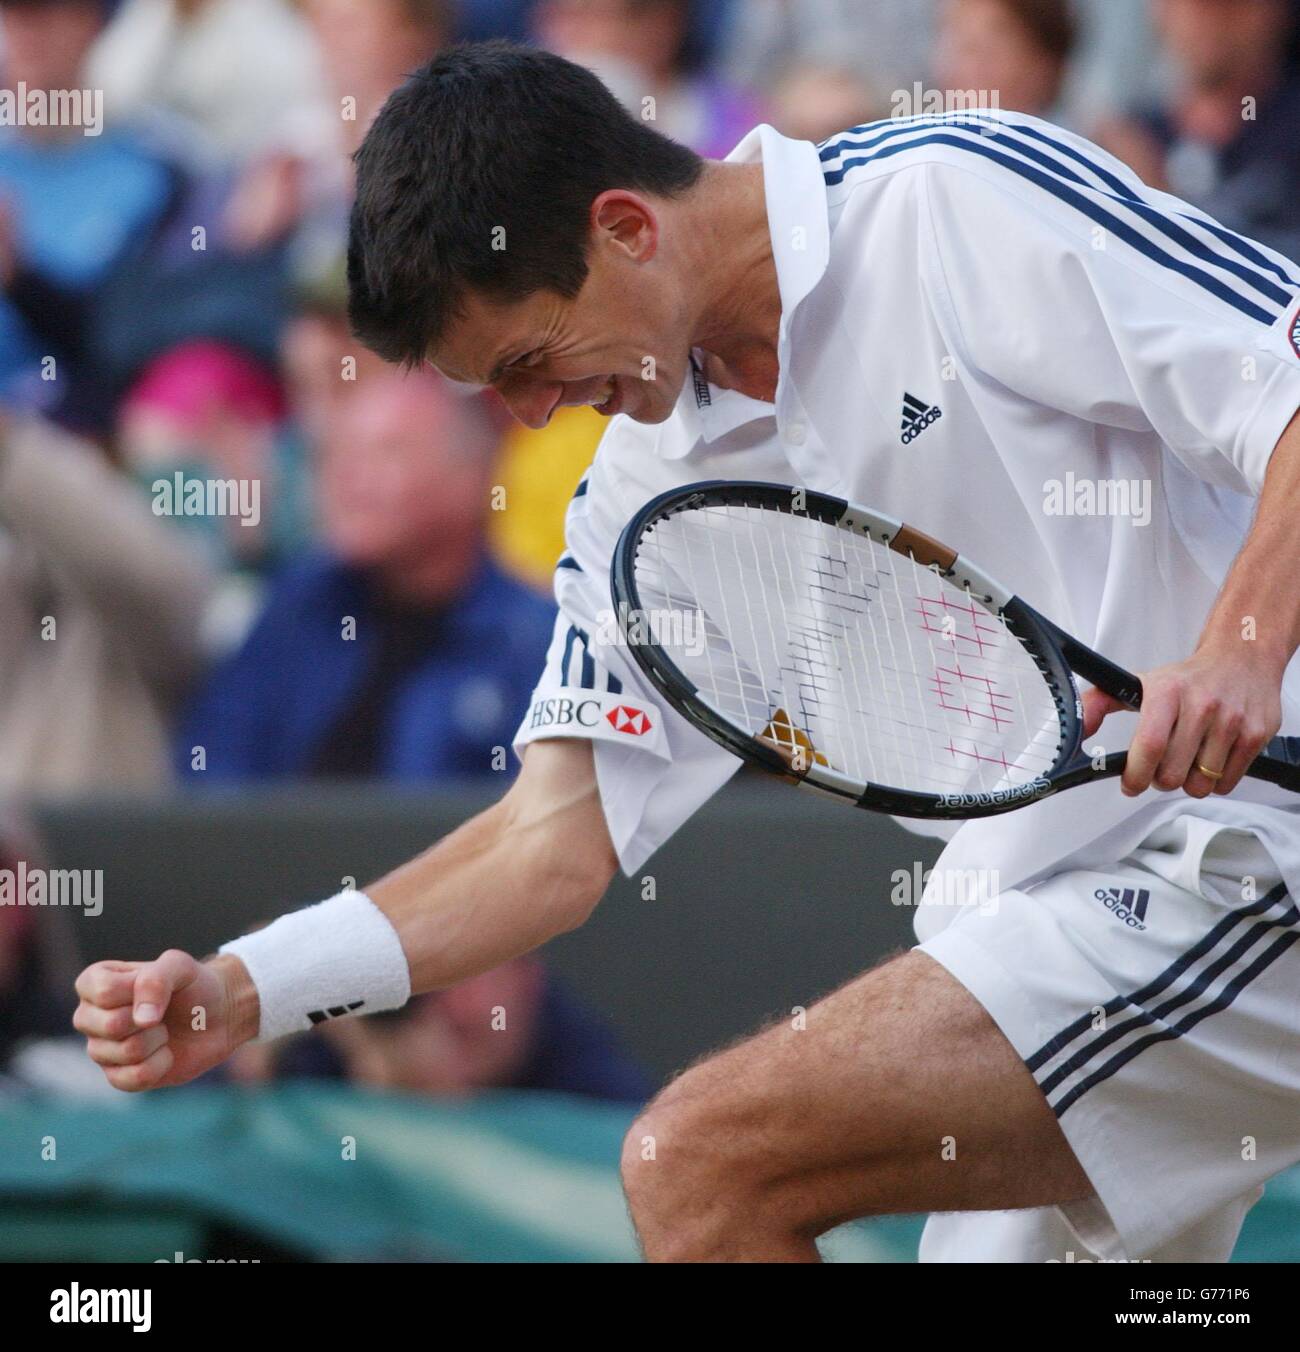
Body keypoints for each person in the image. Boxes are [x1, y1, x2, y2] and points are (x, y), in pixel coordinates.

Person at [76, 43, 1300, 1264]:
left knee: (701, 1161)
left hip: (1245, 855)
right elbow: (545, 844)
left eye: (524, 363)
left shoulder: (951, 198)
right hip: (1054, 917)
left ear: (623, 228)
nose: (534, 415)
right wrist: (245, 987)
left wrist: (1242, 647)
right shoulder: (631, 509)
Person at [175, 364, 555, 781]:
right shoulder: (301, 606)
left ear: (472, 478)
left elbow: (531, 822)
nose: (351, 477)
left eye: (387, 452)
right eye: (338, 453)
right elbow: (214, 763)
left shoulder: (533, 642)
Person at [1094, 0, 1300, 264]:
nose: (1209, 22)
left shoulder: (1288, 135)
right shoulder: (1131, 136)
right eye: (1194, 6)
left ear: (1271, 12)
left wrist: (1160, 207)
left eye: (1227, 8)